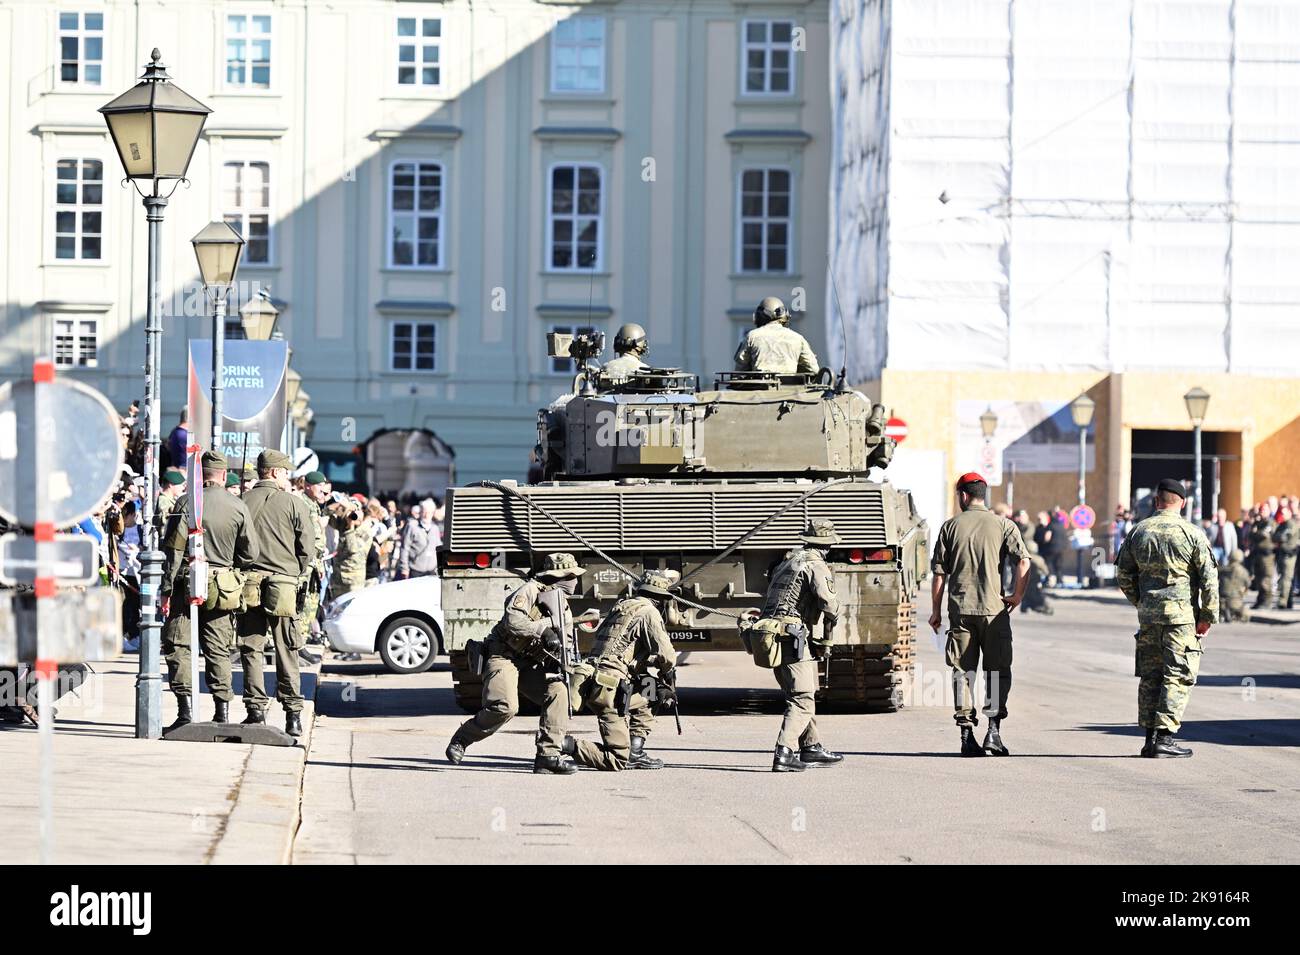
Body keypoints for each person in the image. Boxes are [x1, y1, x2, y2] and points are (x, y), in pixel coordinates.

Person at [445, 553, 584, 774]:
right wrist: (544, 630)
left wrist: (561, 660)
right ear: (559, 577)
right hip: (504, 656)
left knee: (559, 691)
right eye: (571, 576)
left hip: (531, 664)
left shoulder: (562, 604)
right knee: (505, 707)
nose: (575, 581)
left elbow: (564, 639)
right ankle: (462, 738)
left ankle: (548, 756)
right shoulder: (530, 590)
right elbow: (513, 621)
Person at [929, 473, 1030, 757]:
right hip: (994, 610)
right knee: (997, 672)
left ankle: (966, 735)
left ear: (962, 495)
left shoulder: (949, 527)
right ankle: (993, 733)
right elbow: (1023, 561)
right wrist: (1017, 595)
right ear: (982, 494)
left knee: (963, 672)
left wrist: (936, 612)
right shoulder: (1003, 525)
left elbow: (939, 575)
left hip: (961, 612)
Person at [1116, 478, 1218, 758]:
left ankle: (1150, 739)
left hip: (1149, 618)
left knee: (1151, 676)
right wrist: (1207, 617)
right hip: (1181, 619)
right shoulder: (1192, 533)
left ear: (1157, 501)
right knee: (1177, 676)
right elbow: (1210, 580)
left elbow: (1123, 575)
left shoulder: (1138, 531)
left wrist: (1143, 602)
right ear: (1182, 503)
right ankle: (1164, 738)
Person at [158, 451, 259, 728]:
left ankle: (185, 712)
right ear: (225, 475)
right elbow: (251, 551)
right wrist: (229, 567)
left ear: (201, 476)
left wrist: (165, 589)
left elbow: (173, 552)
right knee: (218, 650)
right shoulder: (238, 506)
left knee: (179, 646)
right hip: (222, 587)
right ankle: (221, 713)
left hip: (185, 586)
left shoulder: (186, 502)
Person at [749, 519, 845, 772]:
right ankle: (784, 752)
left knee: (799, 694)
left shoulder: (787, 561)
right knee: (803, 699)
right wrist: (834, 618)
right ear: (826, 546)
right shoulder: (816, 565)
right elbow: (829, 603)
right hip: (791, 636)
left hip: (772, 635)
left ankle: (811, 747)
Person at [562, 573, 679, 771]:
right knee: (617, 759)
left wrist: (658, 680)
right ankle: (564, 744)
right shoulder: (649, 612)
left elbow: (619, 648)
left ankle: (635, 750)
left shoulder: (622, 606)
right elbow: (666, 655)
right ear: (660, 598)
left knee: (652, 691)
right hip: (610, 687)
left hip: (595, 678)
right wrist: (668, 675)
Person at [237, 450, 314, 736]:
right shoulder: (293, 503)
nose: (287, 476)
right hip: (283, 584)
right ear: (274, 472)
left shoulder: (242, 501)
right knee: (287, 649)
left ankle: (255, 711)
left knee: (251, 648)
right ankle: (292, 715)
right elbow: (307, 548)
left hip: (249, 584)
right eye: (284, 472)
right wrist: (293, 570)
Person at [733, 297, 819, 375]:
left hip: (760, 389)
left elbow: (740, 370)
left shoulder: (752, 336)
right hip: (792, 390)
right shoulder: (798, 338)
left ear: (760, 315)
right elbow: (813, 369)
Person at [398, 502, 440, 579]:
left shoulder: (435, 528)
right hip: (415, 569)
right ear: (420, 512)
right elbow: (404, 548)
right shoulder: (412, 526)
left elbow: (438, 548)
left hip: (432, 570)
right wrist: (404, 568)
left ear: (432, 513)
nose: (427, 515)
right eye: (424, 512)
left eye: (429, 512)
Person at [1273, 507, 1298, 610]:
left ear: (1289, 513)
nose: (1282, 515)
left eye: (1284, 513)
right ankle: (1289, 602)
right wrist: (1279, 537)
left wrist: (1279, 537)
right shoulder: (1282, 524)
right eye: (1281, 513)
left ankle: (1282, 602)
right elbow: (1274, 536)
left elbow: (1284, 536)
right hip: (1282, 554)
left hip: (1289, 554)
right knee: (1285, 578)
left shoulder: (1291, 524)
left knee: (1286, 579)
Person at [1249, 512, 1276, 608]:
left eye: (1264, 510)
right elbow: (1250, 536)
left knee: (1266, 578)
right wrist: (1254, 528)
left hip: (1267, 554)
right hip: (1258, 554)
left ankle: (1267, 601)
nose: (1262, 513)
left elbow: (1264, 535)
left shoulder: (1270, 522)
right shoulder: (1258, 524)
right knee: (1259, 578)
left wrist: (1256, 532)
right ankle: (1260, 600)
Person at [1020, 541, 1053, 615]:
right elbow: (1045, 570)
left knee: (1027, 594)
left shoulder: (1023, 558)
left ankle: (1026, 606)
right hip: (1036, 580)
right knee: (1038, 594)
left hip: (1026, 580)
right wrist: (1047, 576)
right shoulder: (1038, 559)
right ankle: (1043, 606)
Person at [1219, 551, 1252, 623]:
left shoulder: (1222, 569)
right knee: (1246, 614)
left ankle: (1224, 614)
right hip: (1235, 602)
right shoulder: (1243, 571)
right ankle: (1235, 615)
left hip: (1220, 602)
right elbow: (1248, 584)